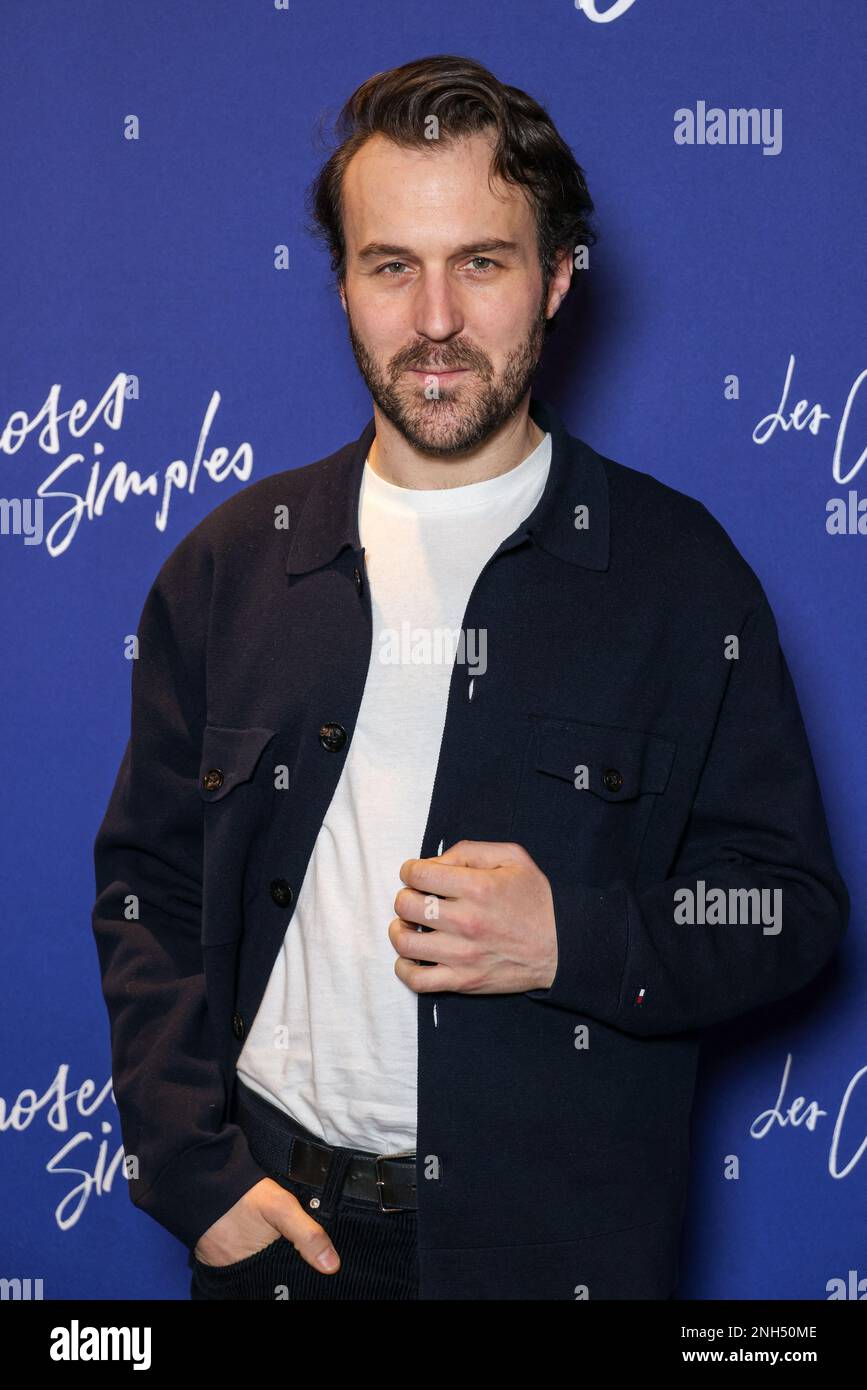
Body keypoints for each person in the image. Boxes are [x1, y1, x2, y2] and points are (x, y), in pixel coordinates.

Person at [91, 54, 849, 1301]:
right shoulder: (232, 565)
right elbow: (149, 889)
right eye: (392, 265)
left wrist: (581, 939)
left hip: (554, 1259)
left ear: (555, 279)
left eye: (482, 263)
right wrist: (191, 1172)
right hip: (277, 1241)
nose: (435, 318)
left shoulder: (681, 578)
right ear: (342, 283)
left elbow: (786, 911)